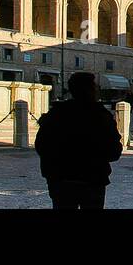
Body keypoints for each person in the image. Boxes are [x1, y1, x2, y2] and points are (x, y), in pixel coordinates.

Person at [33, 72, 124, 209]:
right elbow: (114, 151)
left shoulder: (56, 114)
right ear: (91, 90)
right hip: (92, 179)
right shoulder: (100, 116)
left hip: (61, 179)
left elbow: (41, 146)